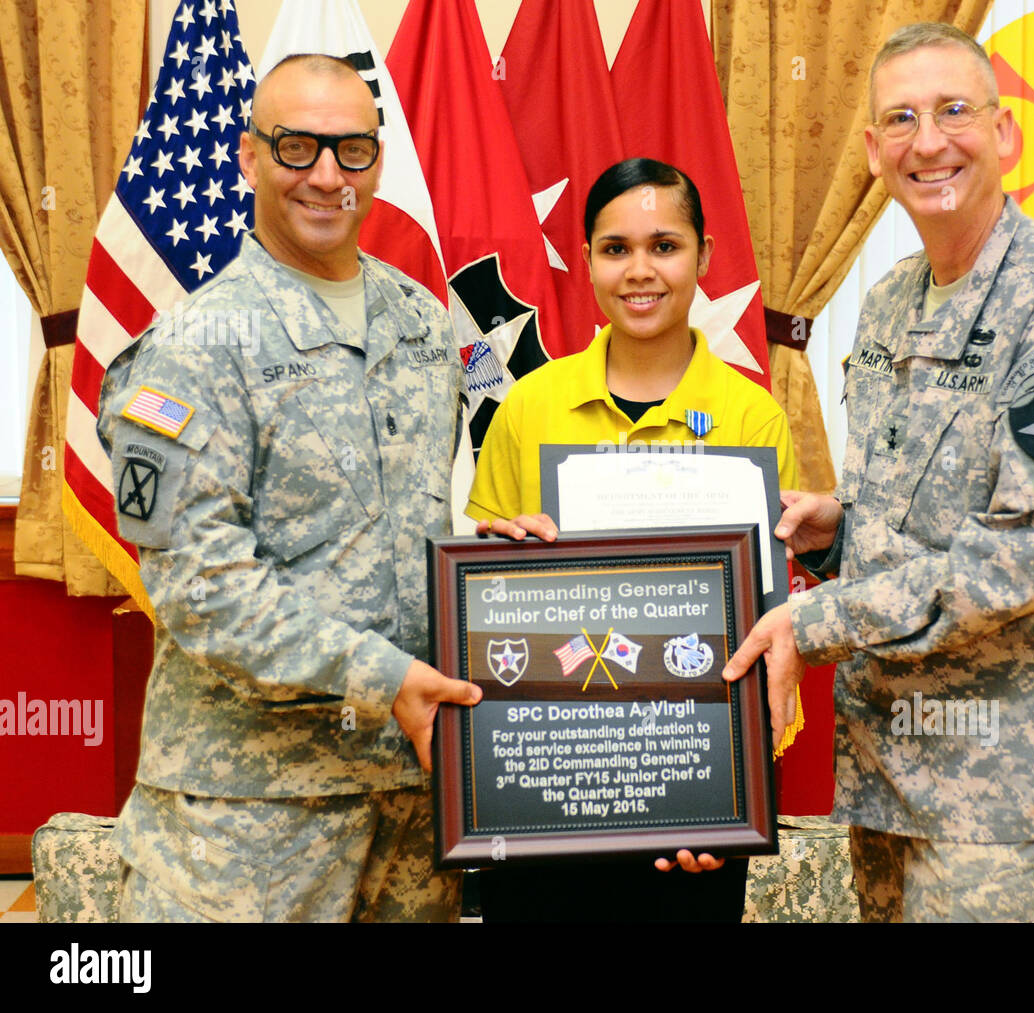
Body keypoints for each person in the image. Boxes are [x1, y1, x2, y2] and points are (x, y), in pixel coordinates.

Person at [722, 22, 1034, 922]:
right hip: (891, 772)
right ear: (876, 153)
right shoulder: (888, 304)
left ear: (1004, 134)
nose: (929, 140)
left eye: (953, 110)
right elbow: (931, 515)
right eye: (901, 120)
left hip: (1010, 800)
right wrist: (841, 530)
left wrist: (815, 618)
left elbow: (1017, 563)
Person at [98, 54, 481, 922]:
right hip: (248, 822)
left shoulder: (421, 319)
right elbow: (201, 588)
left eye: (351, 151)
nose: (325, 176)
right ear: (250, 157)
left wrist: (496, 566)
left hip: (410, 802)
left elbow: (400, 530)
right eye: (297, 146)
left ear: (378, 162)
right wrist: (381, 674)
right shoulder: (195, 344)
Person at [466, 157, 798, 921]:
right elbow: (486, 616)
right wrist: (500, 552)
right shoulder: (528, 406)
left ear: (705, 256)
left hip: (696, 794)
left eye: (665, 245)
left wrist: (731, 791)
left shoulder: (753, 420)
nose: (640, 270)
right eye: (615, 248)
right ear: (584, 261)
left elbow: (770, 626)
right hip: (548, 792)